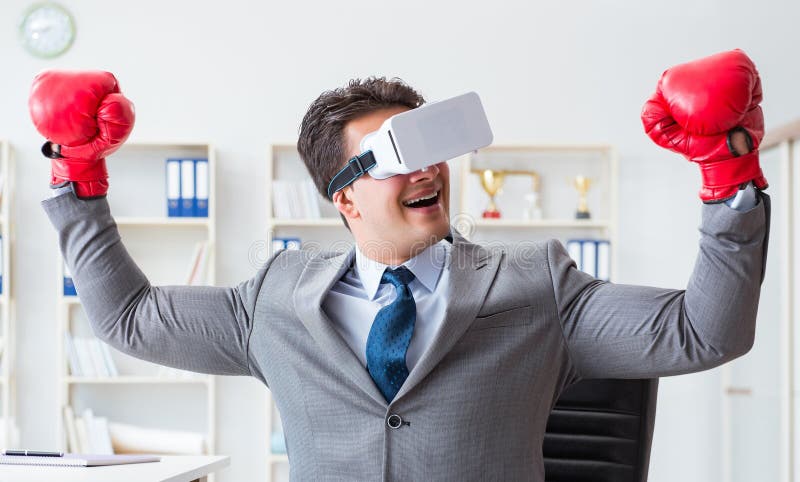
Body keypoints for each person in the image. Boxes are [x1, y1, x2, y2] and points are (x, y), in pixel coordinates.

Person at [32, 49, 769, 481]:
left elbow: (704, 333)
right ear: (344, 194)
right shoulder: (275, 297)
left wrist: (728, 179)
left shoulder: (538, 284)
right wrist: (78, 180)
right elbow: (128, 319)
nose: (429, 172)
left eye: (432, 149)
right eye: (397, 159)